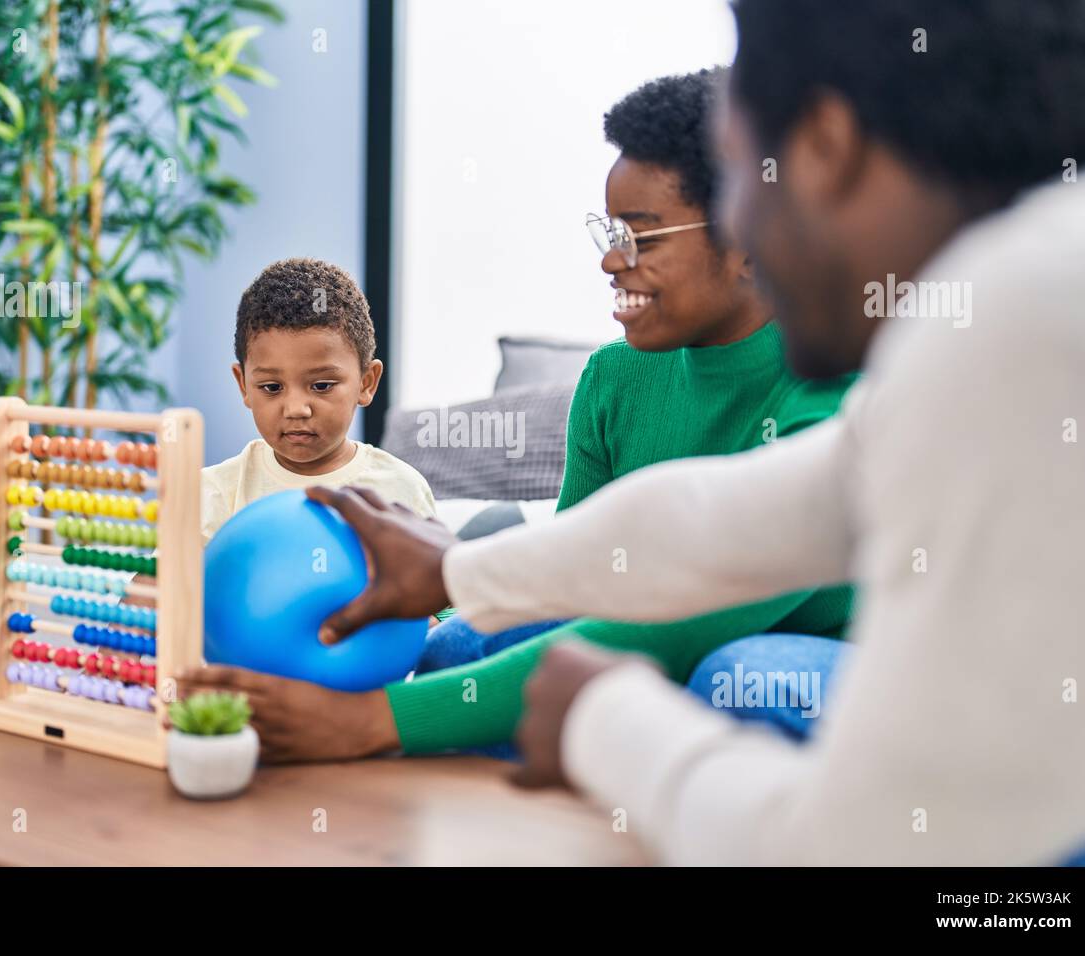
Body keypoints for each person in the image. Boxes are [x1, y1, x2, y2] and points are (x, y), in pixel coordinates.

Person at [304, 0, 1085, 864]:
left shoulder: (1041, 316)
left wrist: (604, 721)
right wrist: (460, 569)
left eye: (734, 176)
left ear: (821, 149)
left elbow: (859, 845)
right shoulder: (1017, 291)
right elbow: (735, 515)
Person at [177, 71, 855, 763]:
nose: (610, 263)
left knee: (740, 679)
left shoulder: (831, 390)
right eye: (609, 232)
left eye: (642, 239)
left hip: (819, 657)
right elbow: (571, 581)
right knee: (455, 650)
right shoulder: (616, 377)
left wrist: (378, 721)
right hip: (650, 629)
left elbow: (686, 623)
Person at [200, 257, 435, 545]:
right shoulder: (214, 493)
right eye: (272, 387)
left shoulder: (399, 491)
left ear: (367, 382)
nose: (297, 409)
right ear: (244, 385)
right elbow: (154, 588)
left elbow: (428, 587)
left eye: (322, 385)